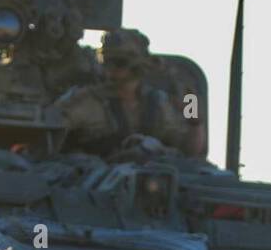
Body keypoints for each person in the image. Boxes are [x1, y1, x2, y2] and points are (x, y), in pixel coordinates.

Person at [52, 29, 197, 156]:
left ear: (137, 65)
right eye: (106, 61)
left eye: (119, 63)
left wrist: (193, 112)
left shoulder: (160, 102)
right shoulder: (85, 101)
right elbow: (48, 139)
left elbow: (191, 149)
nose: (110, 69)